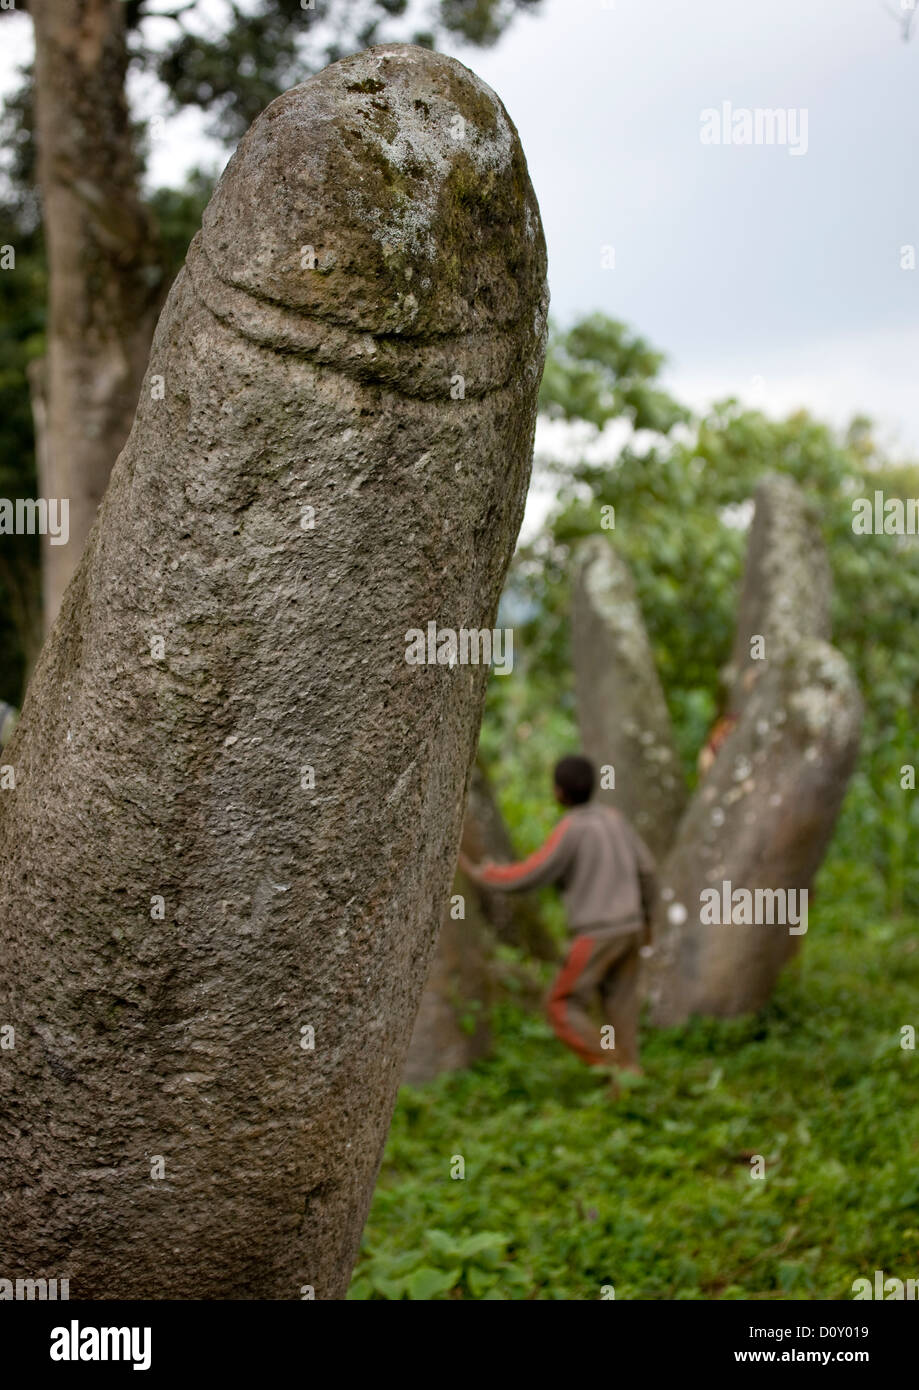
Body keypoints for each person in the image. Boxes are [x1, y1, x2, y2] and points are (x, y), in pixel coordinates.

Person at [459, 755, 656, 1077]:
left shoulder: (572, 830)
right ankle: (629, 1084)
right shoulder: (615, 819)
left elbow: (532, 873)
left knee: (560, 1004)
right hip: (631, 927)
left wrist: (484, 874)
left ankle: (617, 1069)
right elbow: (648, 871)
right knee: (620, 1009)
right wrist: (648, 920)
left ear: (559, 792)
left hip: (597, 934)